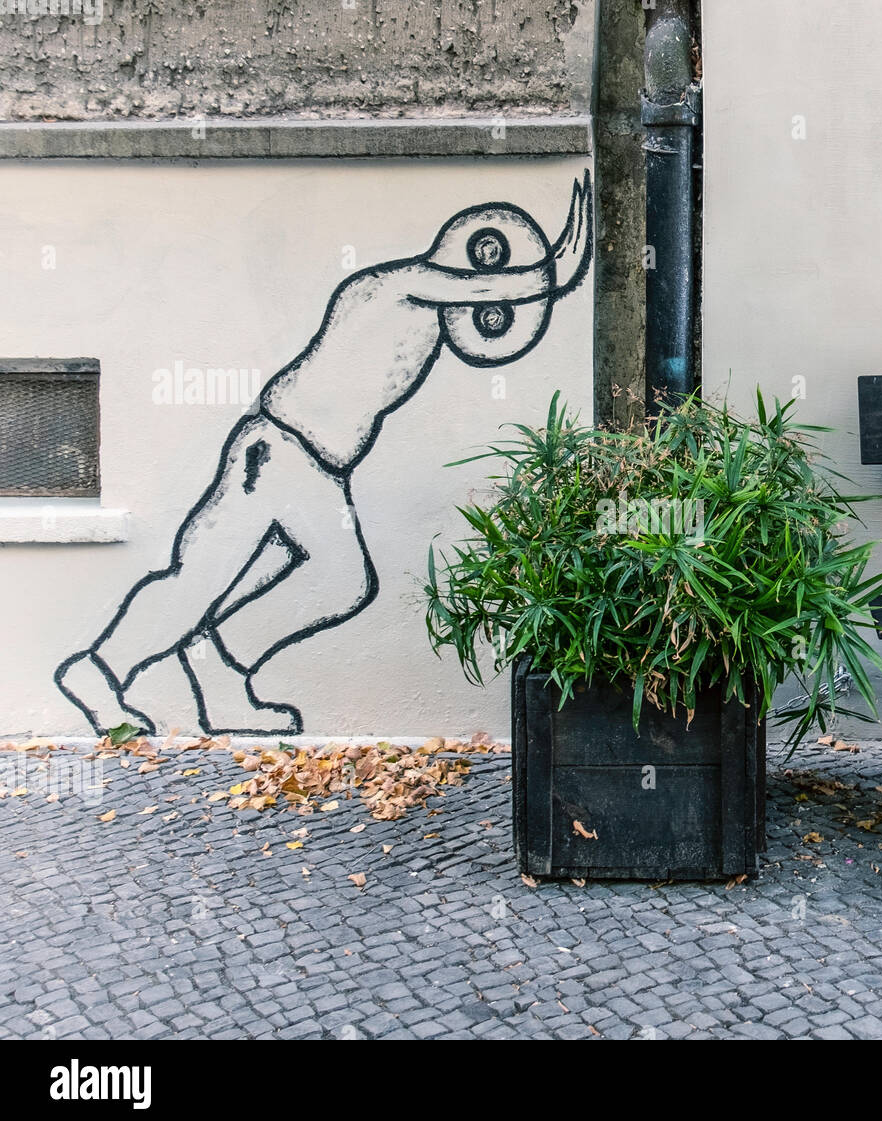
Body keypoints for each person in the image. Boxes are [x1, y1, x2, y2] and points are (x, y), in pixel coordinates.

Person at [55, 174, 593, 737]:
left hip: (309, 462)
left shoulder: (418, 299)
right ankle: (103, 672)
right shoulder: (401, 282)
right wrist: (564, 263)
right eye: (481, 259)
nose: (481, 274)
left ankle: (213, 672)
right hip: (283, 450)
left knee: (297, 580)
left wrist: (549, 268)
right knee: (214, 580)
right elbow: (492, 291)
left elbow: (488, 294)